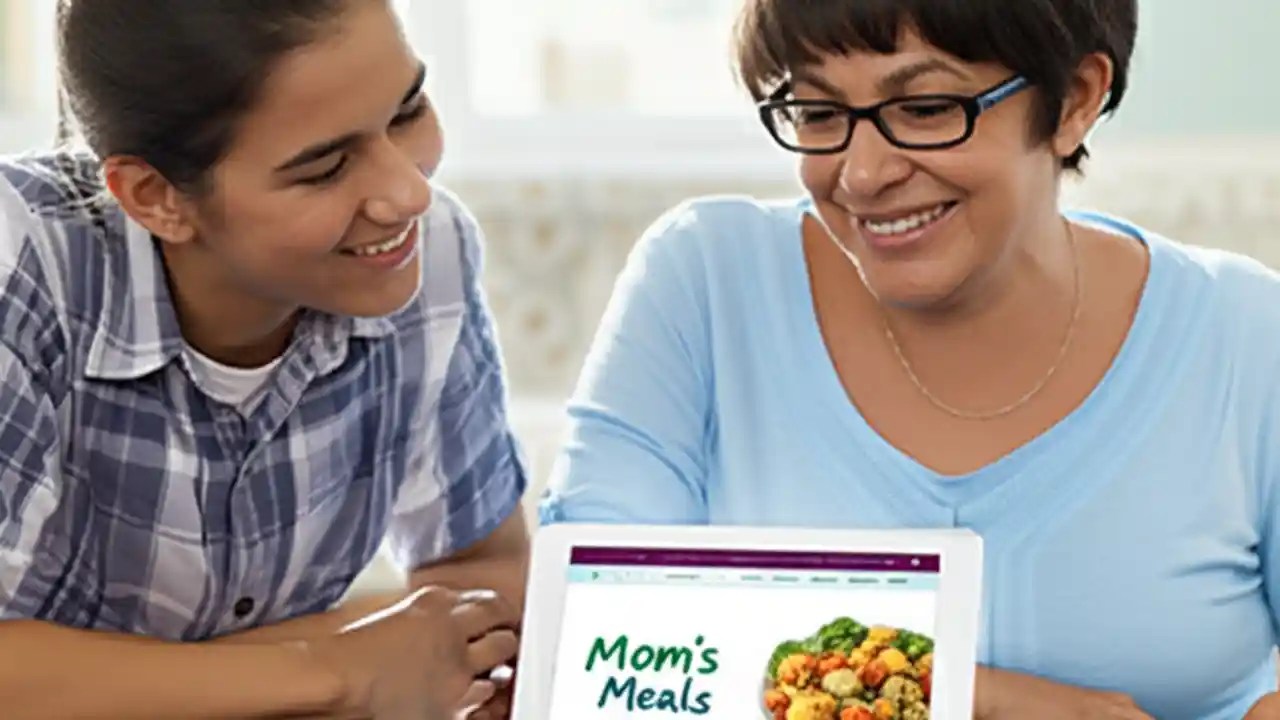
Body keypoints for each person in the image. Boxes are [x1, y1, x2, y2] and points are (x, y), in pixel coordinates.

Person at [539, 1, 1280, 718]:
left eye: (924, 108)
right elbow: (588, 643)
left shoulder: (1246, 336)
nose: (861, 175)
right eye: (819, 113)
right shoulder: (704, 284)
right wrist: (977, 697)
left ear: (1075, 100)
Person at [0, 1, 529, 718]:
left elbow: (486, 573)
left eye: (407, 110)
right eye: (325, 168)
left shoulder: (424, 253)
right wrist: (336, 672)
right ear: (155, 199)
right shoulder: (25, 263)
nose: (411, 192)